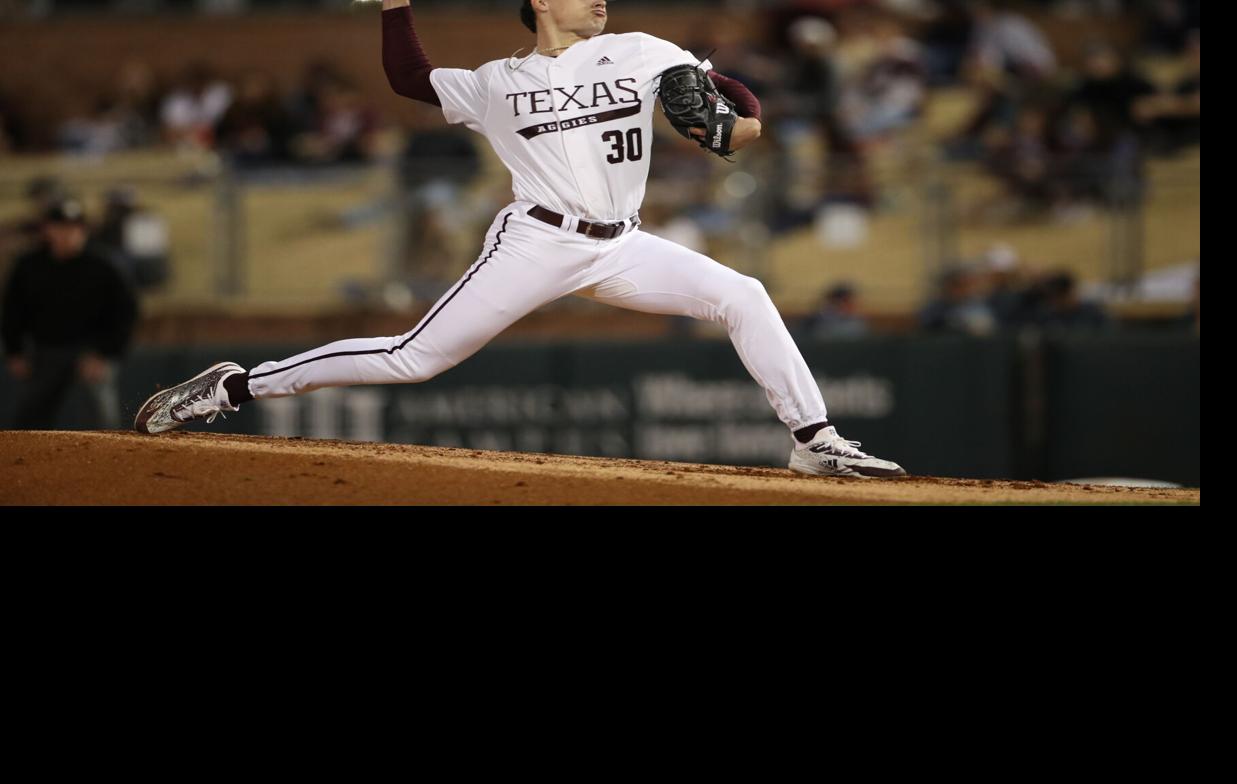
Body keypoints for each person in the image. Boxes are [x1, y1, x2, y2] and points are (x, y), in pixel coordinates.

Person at [134, 0, 906, 479]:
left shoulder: (643, 50)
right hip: (536, 242)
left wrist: (739, 102)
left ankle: (815, 439)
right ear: (540, 3)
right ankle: (235, 386)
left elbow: (729, 115)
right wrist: (394, 6)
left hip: (623, 245)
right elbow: (410, 80)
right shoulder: (494, 80)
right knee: (414, 359)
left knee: (744, 294)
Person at [3, 199, 140, 429]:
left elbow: (126, 313)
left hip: (93, 350)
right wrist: (14, 350)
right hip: (47, 349)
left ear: (83, 230)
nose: (67, 234)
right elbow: (12, 310)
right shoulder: (29, 265)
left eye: (74, 227)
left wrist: (106, 353)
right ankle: (26, 462)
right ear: (47, 230)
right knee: (30, 416)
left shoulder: (105, 265)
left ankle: (106, 460)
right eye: (60, 227)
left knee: (99, 412)